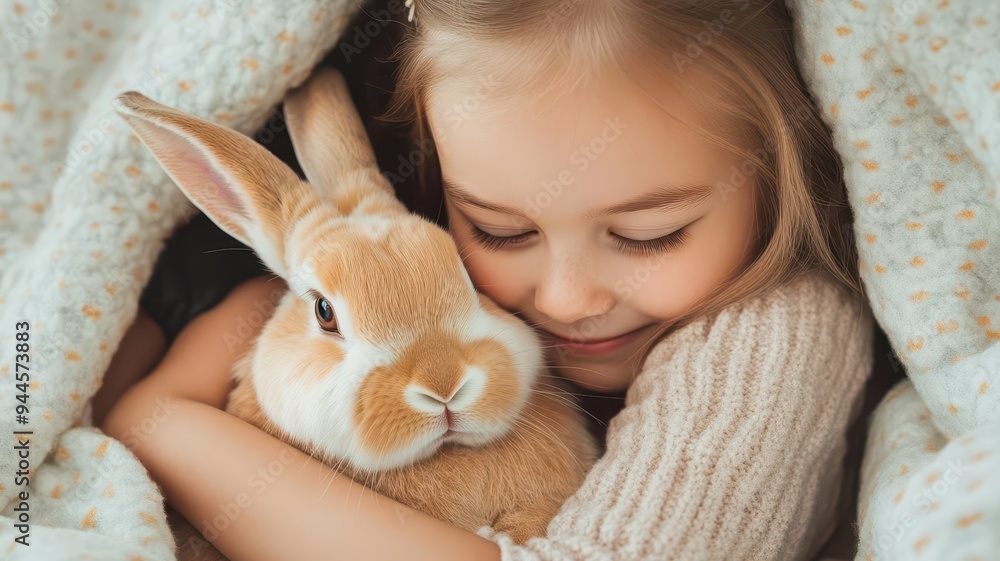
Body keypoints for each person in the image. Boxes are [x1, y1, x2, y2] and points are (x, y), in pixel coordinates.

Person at [99, 1, 874, 559]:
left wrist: (163, 422)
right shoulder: (423, 254)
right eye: (502, 230)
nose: (567, 299)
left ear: (772, 176)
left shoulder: (784, 329)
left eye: (650, 234)